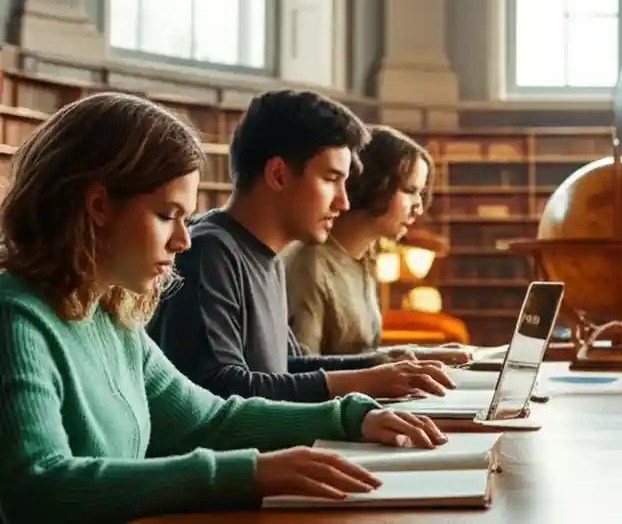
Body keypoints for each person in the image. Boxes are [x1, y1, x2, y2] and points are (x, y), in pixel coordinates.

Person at [0, 93, 449, 524]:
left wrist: (349, 417)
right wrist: (247, 473)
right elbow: (38, 488)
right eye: (166, 215)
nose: (183, 240)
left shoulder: (112, 314)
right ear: (98, 205)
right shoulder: (16, 318)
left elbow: (207, 419)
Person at [149, 90, 453, 402]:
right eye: (331, 179)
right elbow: (219, 389)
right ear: (278, 175)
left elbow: (287, 368)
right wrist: (362, 382)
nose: (343, 201)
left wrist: (381, 364)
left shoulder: (267, 257)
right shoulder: (208, 253)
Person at [285, 125, 433, 356]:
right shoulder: (310, 265)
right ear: (376, 185)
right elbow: (299, 367)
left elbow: (363, 352)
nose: (419, 208)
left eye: (420, 194)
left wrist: (429, 355)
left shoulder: (366, 254)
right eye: (409, 190)